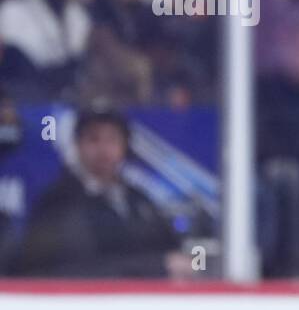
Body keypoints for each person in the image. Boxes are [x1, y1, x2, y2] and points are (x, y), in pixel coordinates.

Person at [12, 105, 189, 278]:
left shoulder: (139, 201)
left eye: (112, 139)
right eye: (93, 139)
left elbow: (171, 251)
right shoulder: (57, 203)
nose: (103, 149)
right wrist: (155, 268)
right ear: (78, 144)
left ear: (124, 145)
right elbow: (66, 268)